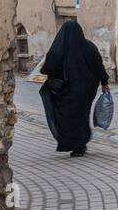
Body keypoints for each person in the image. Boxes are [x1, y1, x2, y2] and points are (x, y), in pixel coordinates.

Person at [39, 20, 109, 157]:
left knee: (67, 117)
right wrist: (104, 82)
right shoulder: (89, 47)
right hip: (86, 91)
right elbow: (99, 66)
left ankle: (70, 142)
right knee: (82, 115)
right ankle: (80, 144)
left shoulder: (59, 49)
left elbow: (49, 67)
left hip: (66, 92)